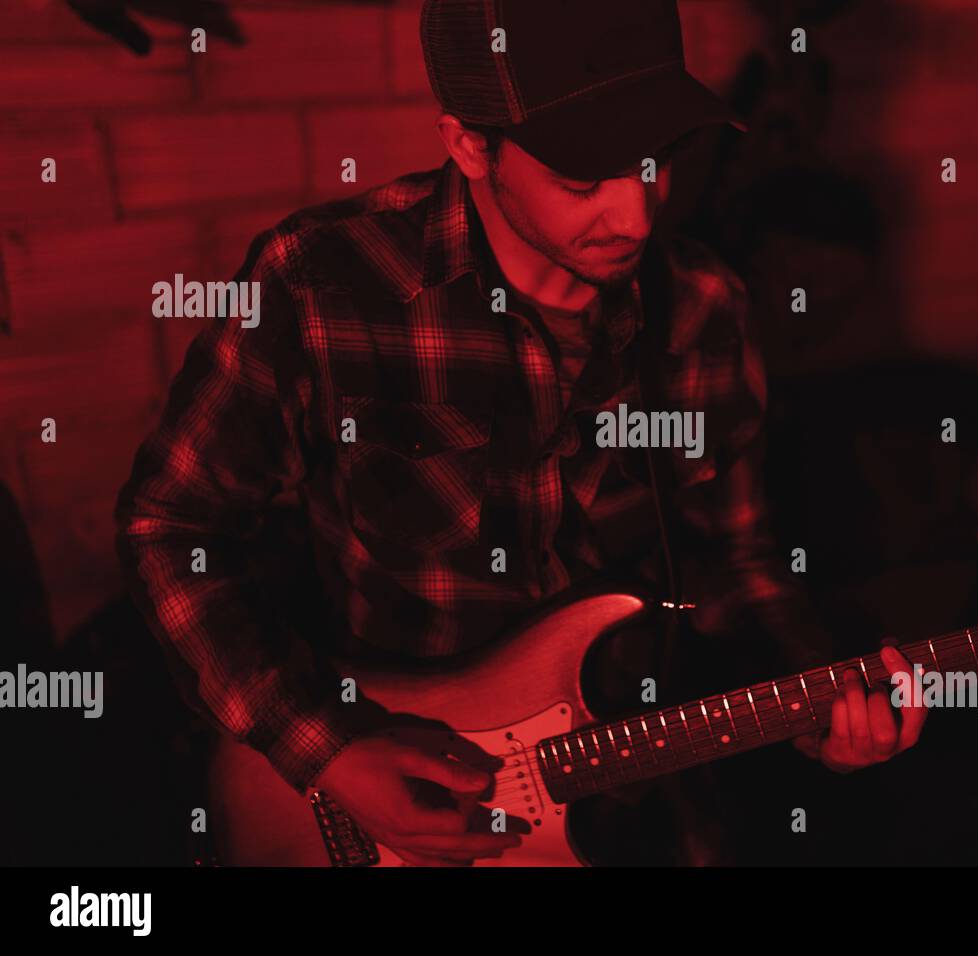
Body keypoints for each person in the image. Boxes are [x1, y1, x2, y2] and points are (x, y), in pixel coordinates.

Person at [115, 0, 925, 867]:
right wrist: (327, 747)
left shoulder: (703, 304)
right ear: (470, 144)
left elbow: (734, 561)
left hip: (643, 803)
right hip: (400, 793)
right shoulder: (322, 284)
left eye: (656, 164)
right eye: (585, 181)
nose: (638, 217)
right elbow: (170, 526)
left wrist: (813, 697)